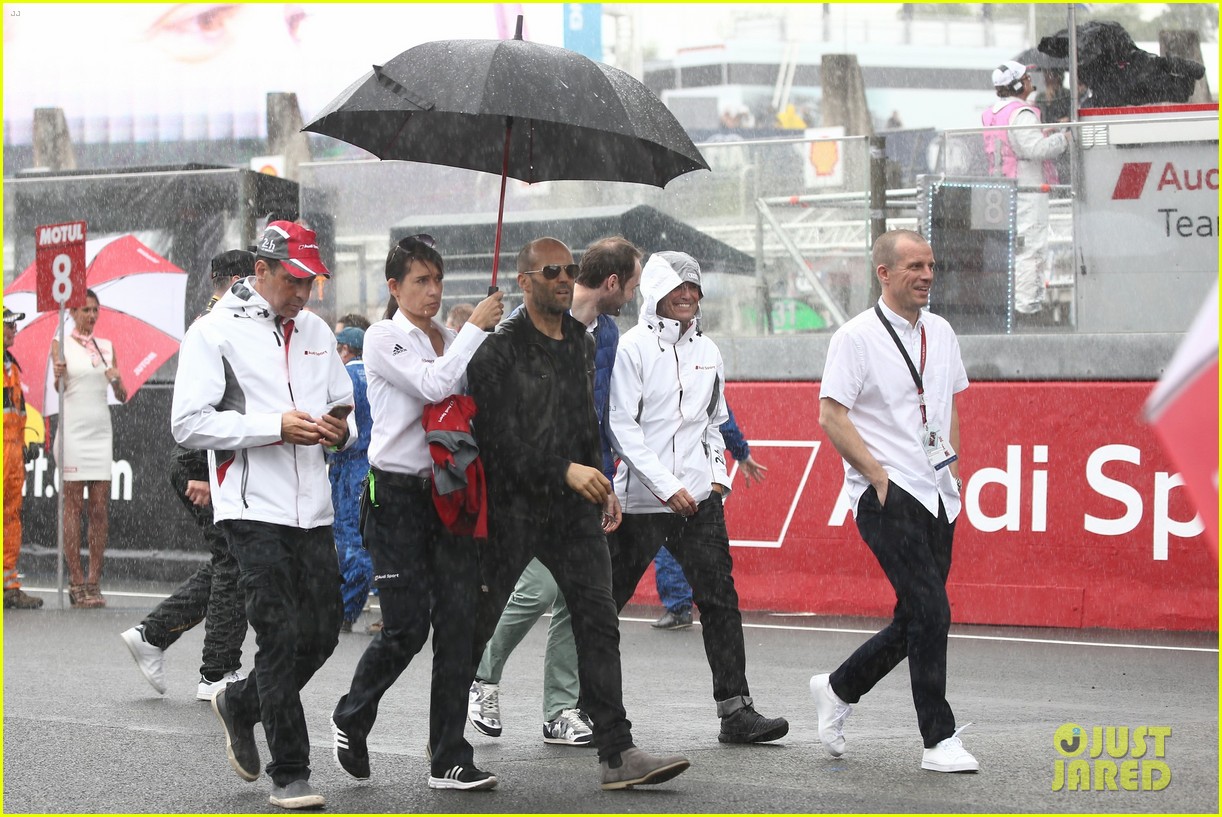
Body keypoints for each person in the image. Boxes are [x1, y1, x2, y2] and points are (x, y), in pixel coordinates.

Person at [468, 236, 690, 791]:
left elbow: (584, 421)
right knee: (476, 622)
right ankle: (447, 736)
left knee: (598, 620)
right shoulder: (498, 348)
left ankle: (617, 751)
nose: (565, 278)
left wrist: (601, 479)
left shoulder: (583, 342)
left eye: (570, 270)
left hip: (574, 509)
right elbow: (497, 442)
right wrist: (562, 469)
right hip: (515, 507)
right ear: (524, 281)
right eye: (551, 271)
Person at [171, 221, 355, 810]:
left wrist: (337, 431)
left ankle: (243, 703)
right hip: (249, 508)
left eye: (311, 280)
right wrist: (270, 428)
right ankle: (290, 771)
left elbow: (339, 414)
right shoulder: (213, 330)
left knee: (323, 633)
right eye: (293, 279)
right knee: (279, 632)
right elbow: (188, 424)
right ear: (261, 270)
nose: (303, 292)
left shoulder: (319, 330)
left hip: (314, 509)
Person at [330, 235, 505, 791]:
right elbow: (436, 383)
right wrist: (475, 328)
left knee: (458, 625)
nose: (431, 292)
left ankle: (449, 756)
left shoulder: (450, 336)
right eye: (419, 282)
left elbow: (475, 386)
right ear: (393, 287)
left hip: (449, 492)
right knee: (406, 629)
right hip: (395, 497)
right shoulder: (384, 337)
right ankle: (351, 716)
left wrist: (484, 336)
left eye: (437, 280)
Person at [810, 229, 976, 773]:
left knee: (916, 620)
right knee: (933, 611)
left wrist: (951, 468)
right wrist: (878, 477)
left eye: (931, 265)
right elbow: (831, 414)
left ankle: (838, 688)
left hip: (938, 492)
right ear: (884, 273)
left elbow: (947, 403)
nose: (927, 275)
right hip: (886, 495)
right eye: (914, 267)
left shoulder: (943, 332)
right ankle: (939, 739)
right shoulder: (855, 337)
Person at [606, 251, 788, 746]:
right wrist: (667, 486)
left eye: (695, 288)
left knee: (721, 600)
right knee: (605, 603)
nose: (689, 296)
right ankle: (590, 709)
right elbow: (621, 426)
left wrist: (717, 479)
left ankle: (736, 710)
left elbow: (714, 421)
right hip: (643, 500)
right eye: (678, 287)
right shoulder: (632, 348)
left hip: (700, 500)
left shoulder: (710, 351)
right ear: (656, 292)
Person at [120, 250, 253, 700]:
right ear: (238, 279)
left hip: (205, 460)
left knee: (227, 561)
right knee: (233, 562)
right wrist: (205, 471)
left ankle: (154, 635)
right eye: (259, 277)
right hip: (204, 461)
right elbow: (209, 408)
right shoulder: (218, 325)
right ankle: (217, 671)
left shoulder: (217, 321)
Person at [650, 406, 767, 631]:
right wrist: (741, 453)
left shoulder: (667, 385)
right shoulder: (707, 379)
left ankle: (679, 607)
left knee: (667, 538)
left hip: (673, 472)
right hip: (704, 478)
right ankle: (711, 607)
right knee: (705, 551)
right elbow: (724, 421)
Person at [50, 288, 128, 608]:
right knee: (74, 508)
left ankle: (94, 580)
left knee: (98, 509)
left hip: (100, 432)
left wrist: (116, 380)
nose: (91, 316)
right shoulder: (60, 344)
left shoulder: (107, 347)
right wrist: (58, 372)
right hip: (72, 432)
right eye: (85, 310)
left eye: (95, 310)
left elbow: (122, 396)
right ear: (72, 312)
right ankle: (76, 580)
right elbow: (58, 387)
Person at [982, 60, 1070, 323]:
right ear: (1019, 84)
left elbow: (1015, 143)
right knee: (1031, 249)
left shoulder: (994, 112)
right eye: (1027, 77)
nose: (1032, 80)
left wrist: (1044, 132)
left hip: (1003, 188)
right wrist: (1063, 138)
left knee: (1015, 249)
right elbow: (1035, 150)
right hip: (1027, 190)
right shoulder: (1022, 113)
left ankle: (1014, 306)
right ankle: (1028, 309)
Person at [330, 324, 373, 634]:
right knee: (368, 534)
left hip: (350, 466)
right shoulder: (377, 374)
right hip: (376, 464)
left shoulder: (343, 378)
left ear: (346, 349)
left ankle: (346, 609)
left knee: (351, 539)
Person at [3, 306, 42, 610]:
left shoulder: (11, 366)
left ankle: (8, 584)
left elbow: (14, 412)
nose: (13, 328)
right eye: (8, 324)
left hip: (12, 450)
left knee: (11, 515)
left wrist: (23, 441)